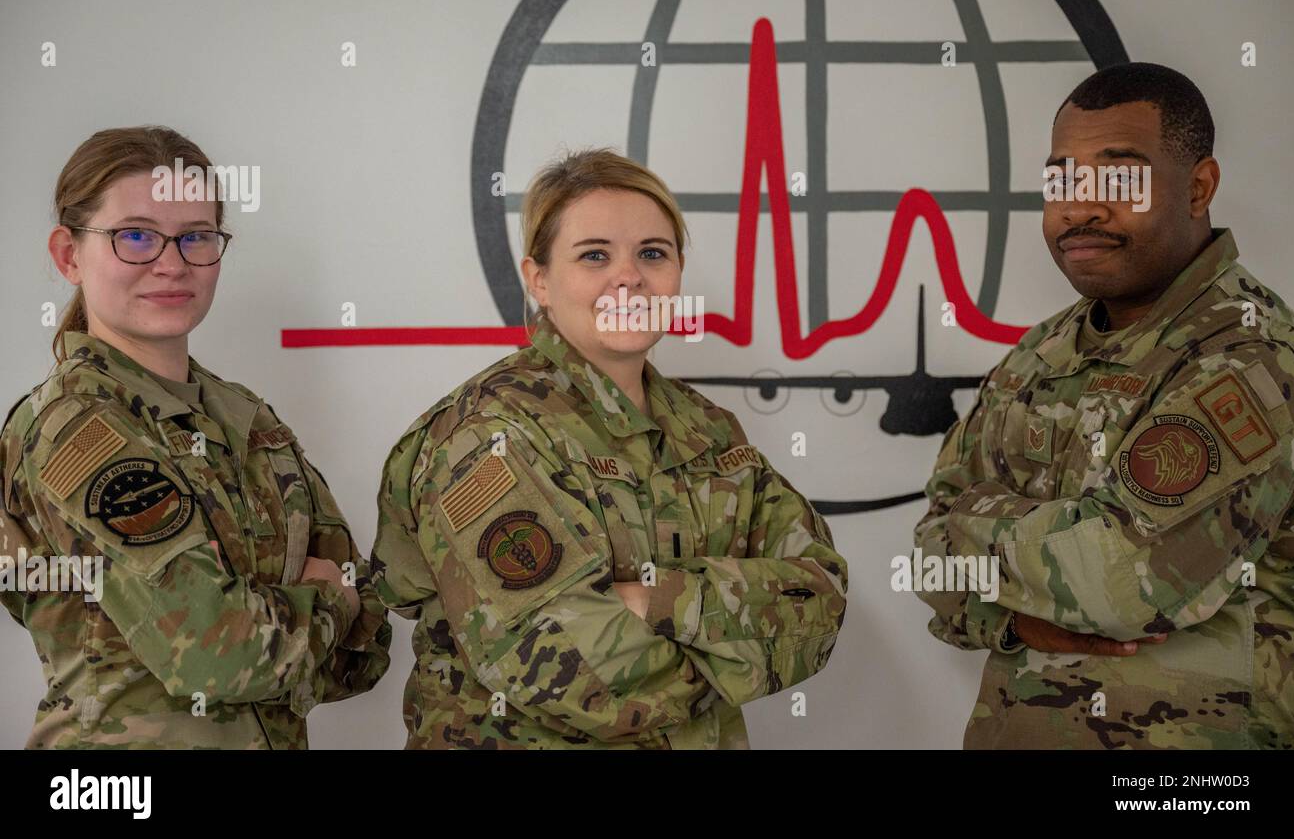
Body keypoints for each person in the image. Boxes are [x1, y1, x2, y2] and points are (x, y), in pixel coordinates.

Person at [372, 149, 848, 749]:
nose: (629, 277)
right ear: (538, 279)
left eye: (653, 253)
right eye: (595, 254)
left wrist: (653, 600)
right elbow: (567, 671)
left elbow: (821, 593)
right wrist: (737, 657)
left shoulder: (708, 428)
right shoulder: (485, 433)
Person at [914, 63, 1294, 749]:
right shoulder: (1041, 353)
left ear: (1200, 187)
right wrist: (1009, 617)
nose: (1080, 207)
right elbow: (925, 559)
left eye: (1118, 178)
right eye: (1062, 179)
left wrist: (974, 524)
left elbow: (1119, 584)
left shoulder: (1249, 359)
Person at [0, 126, 391, 748]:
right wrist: (327, 600)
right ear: (68, 255)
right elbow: (220, 656)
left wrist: (300, 616)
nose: (172, 263)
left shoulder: (247, 422)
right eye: (135, 236)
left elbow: (366, 654)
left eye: (196, 237)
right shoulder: (78, 431)